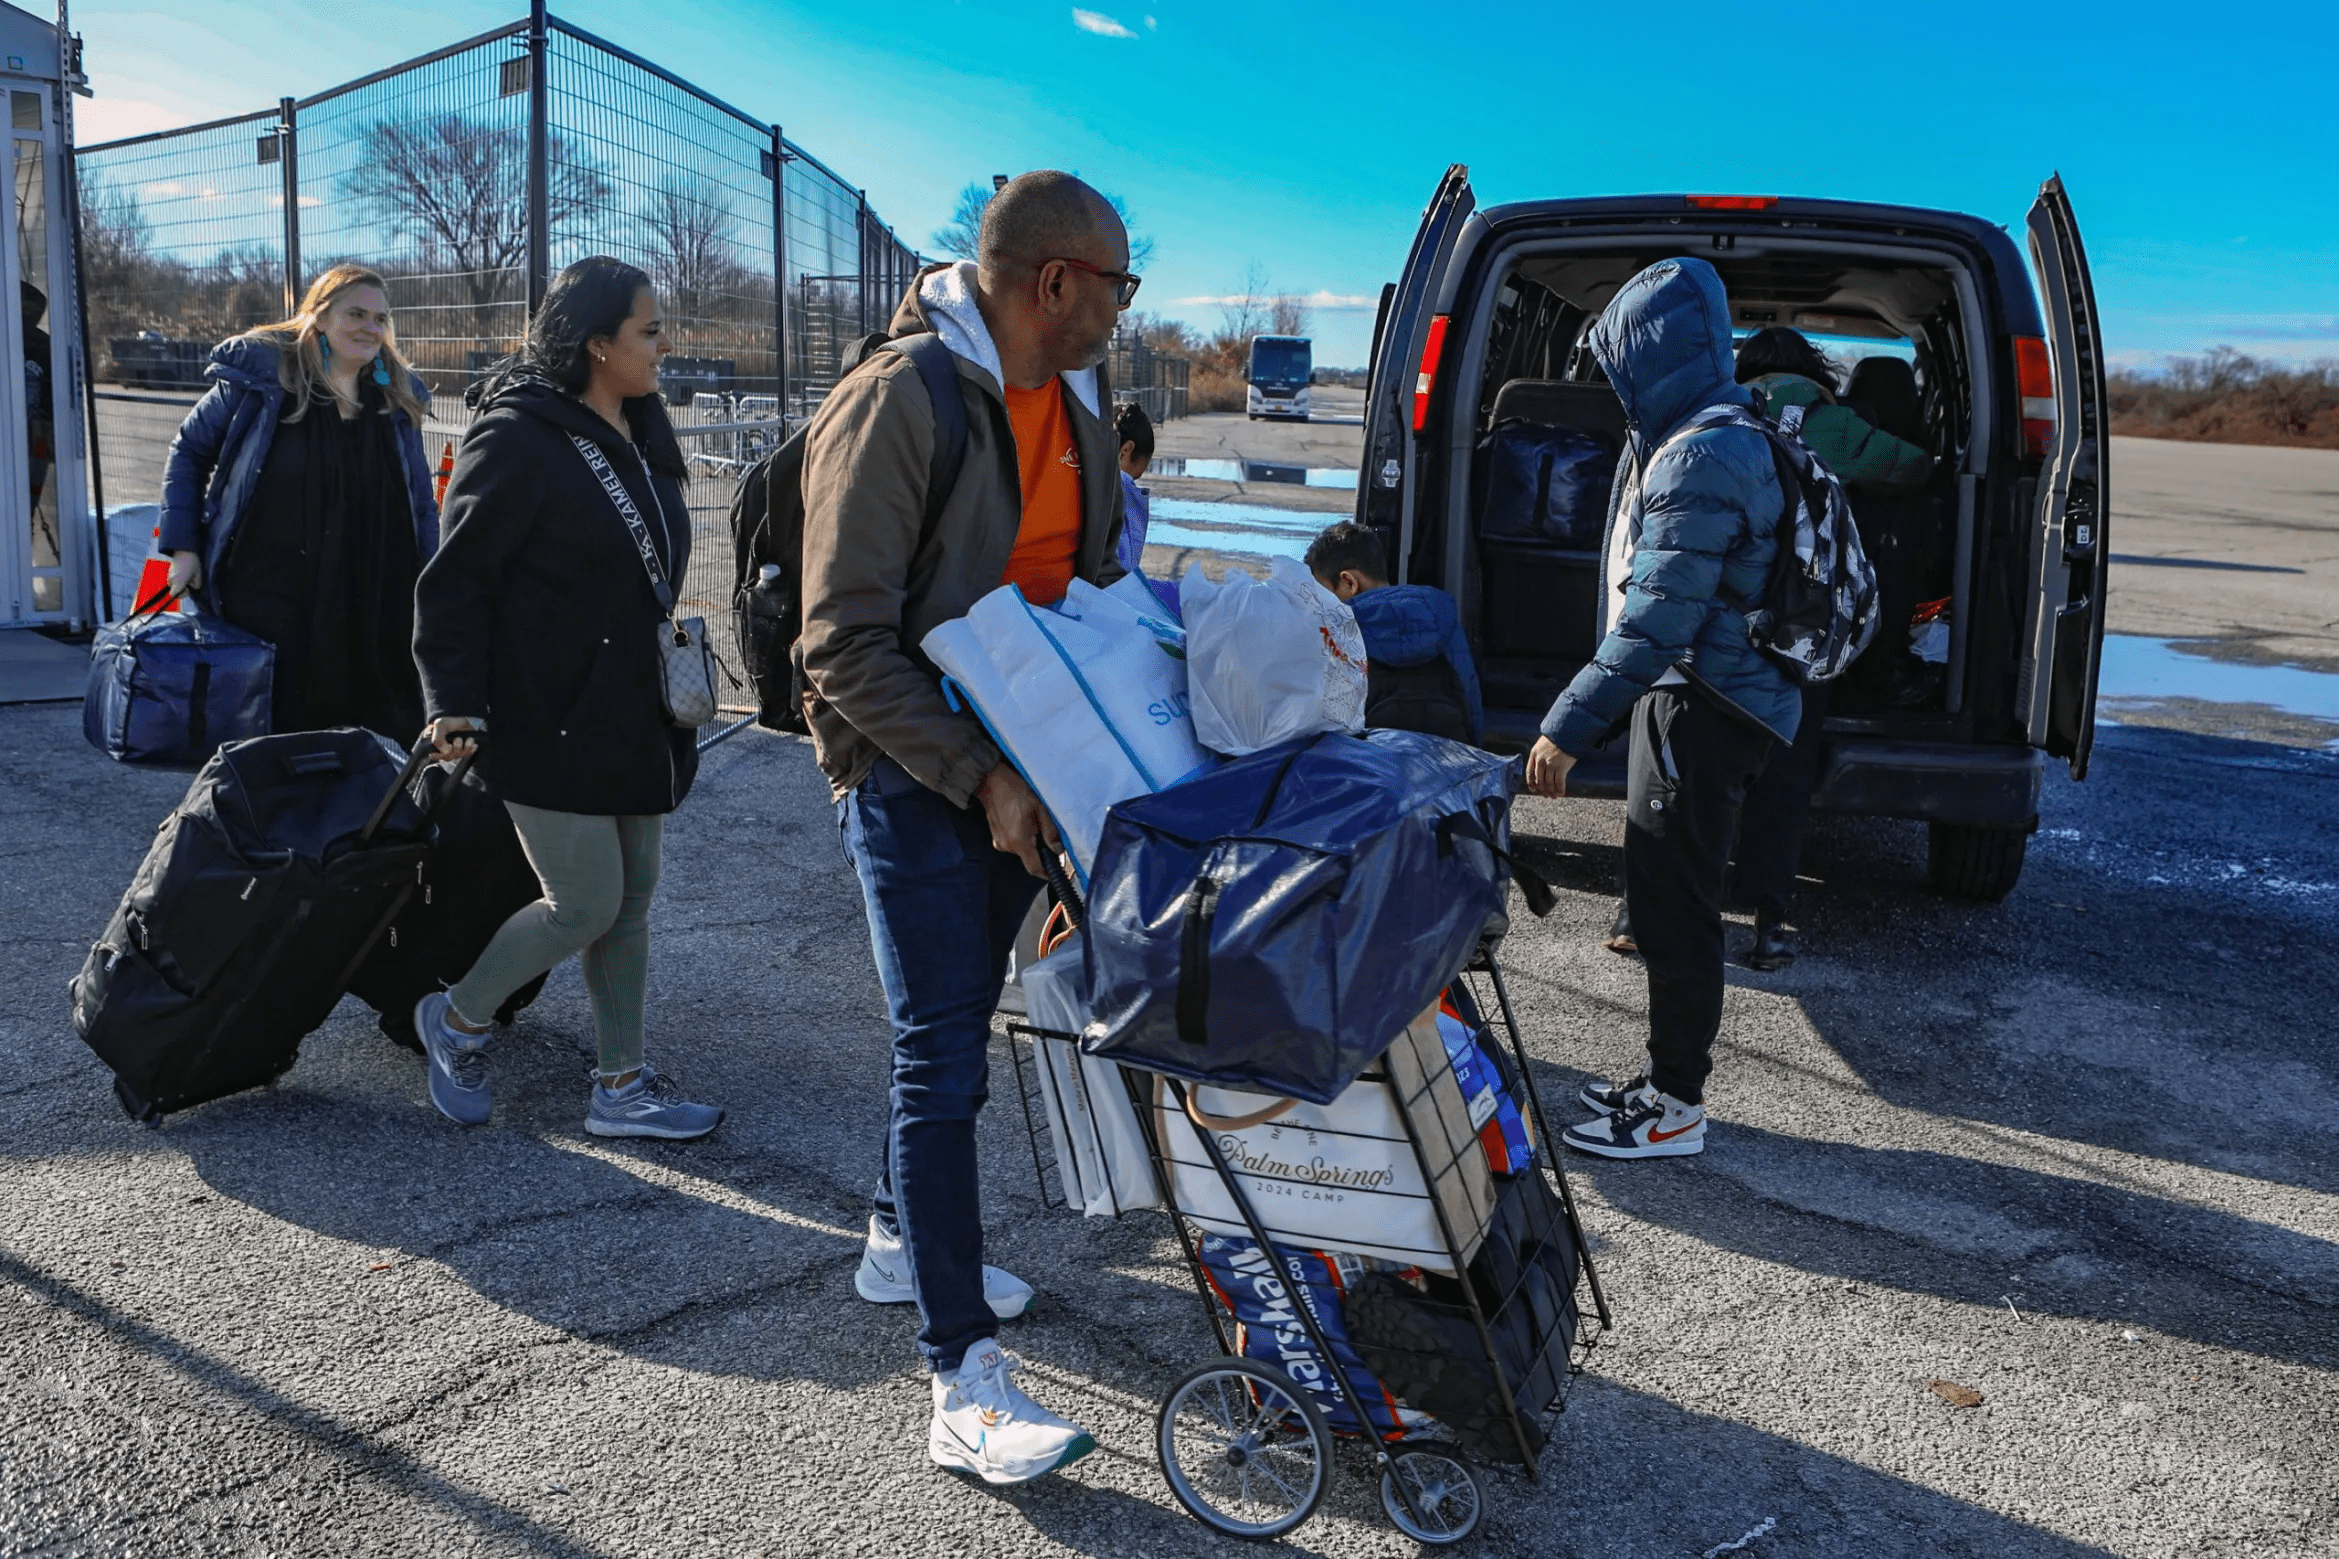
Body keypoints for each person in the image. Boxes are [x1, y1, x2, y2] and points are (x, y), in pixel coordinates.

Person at [797, 170, 1133, 1484]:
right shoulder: (902, 400)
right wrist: (973, 772)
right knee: (939, 1055)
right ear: (1052, 279)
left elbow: (1097, 598)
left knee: (960, 1018)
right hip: (912, 775)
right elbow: (839, 641)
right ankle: (960, 1376)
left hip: (1028, 778)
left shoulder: (1082, 420)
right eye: (1116, 282)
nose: (1120, 307)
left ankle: (896, 1235)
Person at [409, 256, 721, 1143]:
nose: (664, 346)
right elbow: (454, 584)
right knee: (582, 901)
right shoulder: (515, 435)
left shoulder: (642, 427)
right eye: (649, 331)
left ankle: (620, 1085)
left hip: (633, 710)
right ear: (596, 343)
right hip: (541, 710)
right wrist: (453, 700)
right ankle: (457, 1020)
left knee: (630, 902)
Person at [1522, 256, 1797, 1161]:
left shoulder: (1702, 452)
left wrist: (1566, 727)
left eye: (1617, 362)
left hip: (1701, 705)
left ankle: (1675, 1104)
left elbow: (1656, 618)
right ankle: (1664, 1080)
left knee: (1676, 910)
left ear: (1650, 353)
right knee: (1664, 896)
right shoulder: (1718, 429)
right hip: (1708, 698)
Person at [160, 264, 440, 738]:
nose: (369, 328)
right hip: (270, 596)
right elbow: (188, 452)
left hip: (373, 598)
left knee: (372, 726)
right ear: (320, 316)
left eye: (379, 319)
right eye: (356, 314)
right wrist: (182, 547)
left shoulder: (397, 398)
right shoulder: (262, 381)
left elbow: (418, 502)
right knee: (276, 725)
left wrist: (432, 580)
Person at [1305, 520, 1483, 744]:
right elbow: (1472, 708)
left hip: (1371, 772)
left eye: (1324, 594)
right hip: (1449, 764)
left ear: (1348, 582)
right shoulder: (1443, 622)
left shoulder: (1339, 635)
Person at [1112, 398, 1178, 614]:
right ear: (1126, 450)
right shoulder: (1118, 489)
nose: (1134, 480)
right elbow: (1122, 576)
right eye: (1136, 474)